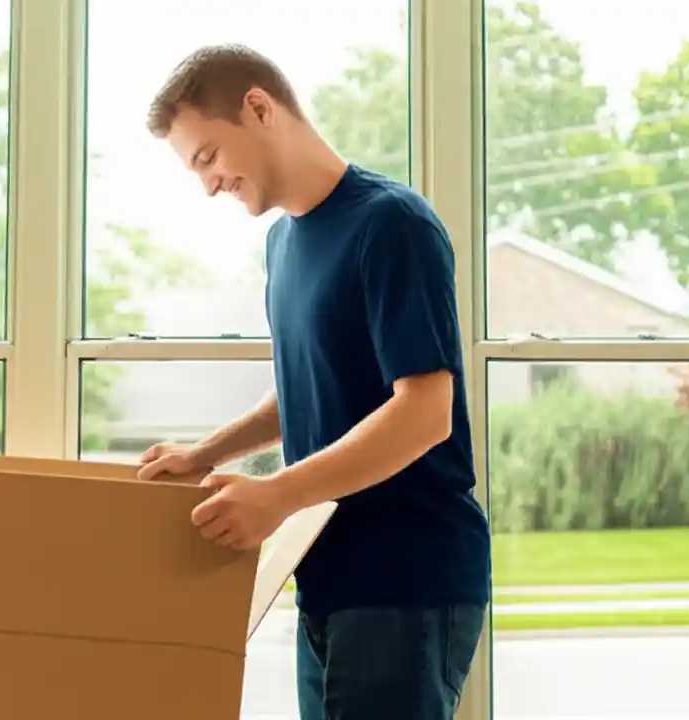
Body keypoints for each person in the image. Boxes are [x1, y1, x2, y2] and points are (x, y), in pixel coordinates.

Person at [136, 43, 490, 719]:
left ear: (259, 108)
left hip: (405, 578)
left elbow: (425, 412)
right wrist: (205, 454)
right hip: (326, 575)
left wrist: (276, 494)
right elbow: (310, 382)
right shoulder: (284, 243)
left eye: (209, 157)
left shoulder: (392, 224)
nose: (208, 185)